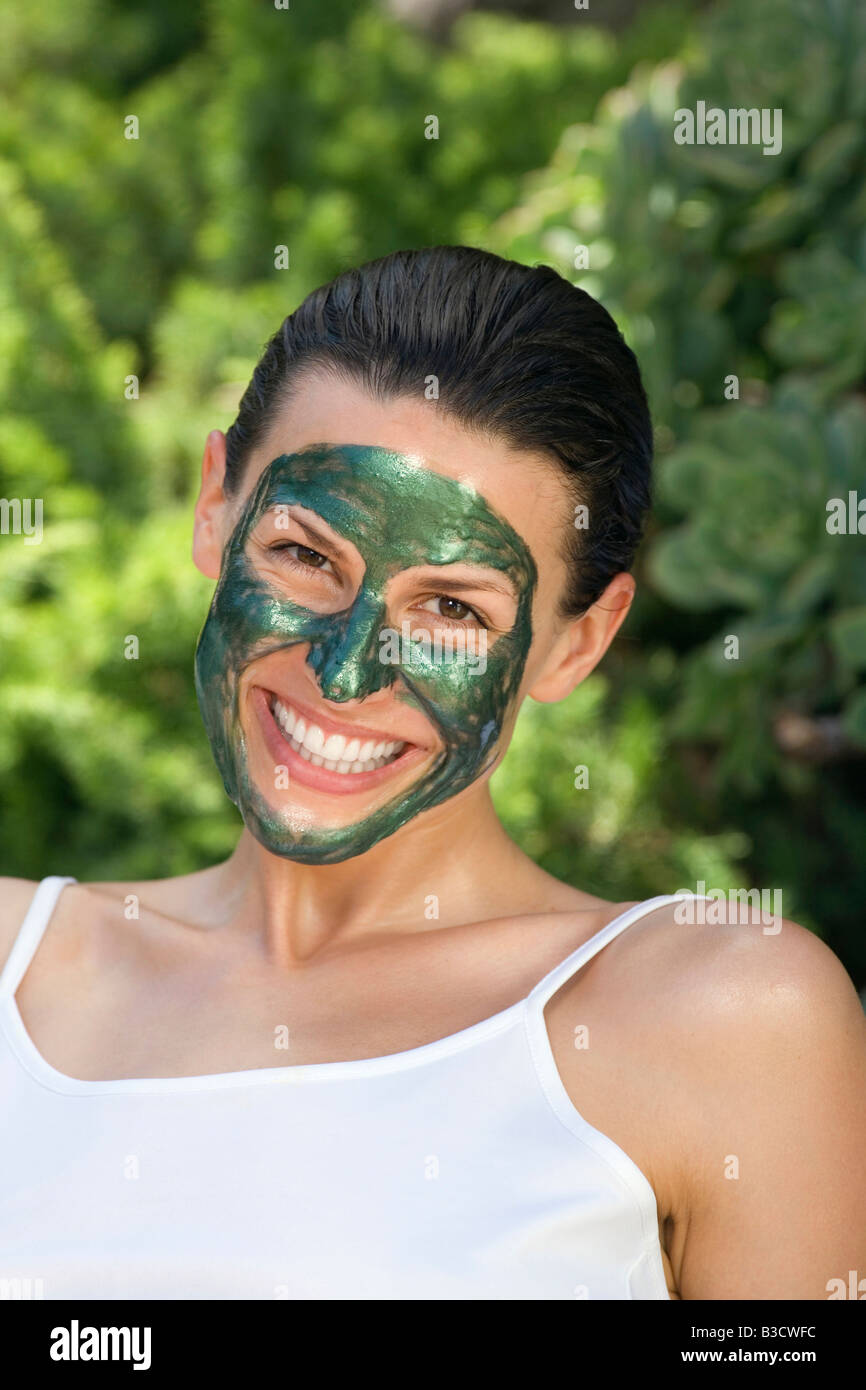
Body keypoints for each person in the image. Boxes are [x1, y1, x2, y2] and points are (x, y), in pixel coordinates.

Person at [1, 247, 864, 1301]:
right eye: (305, 556)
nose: (344, 670)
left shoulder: (723, 1011)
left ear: (575, 644)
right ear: (214, 508)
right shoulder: (16, 965)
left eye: (451, 609)